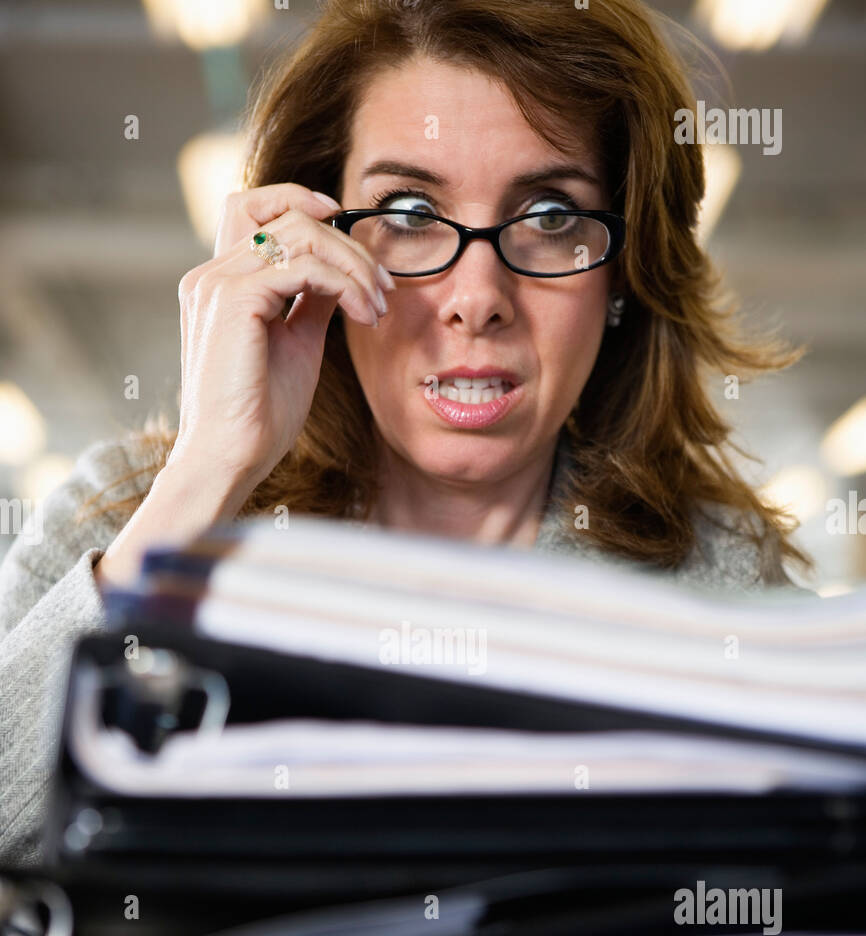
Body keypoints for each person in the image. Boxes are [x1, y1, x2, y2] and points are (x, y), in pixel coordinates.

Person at [0, 0, 810, 871]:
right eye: (413, 208)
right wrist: (209, 472)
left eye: (549, 215)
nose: (476, 295)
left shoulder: (722, 581)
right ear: (310, 239)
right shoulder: (124, 515)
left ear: (625, 271)